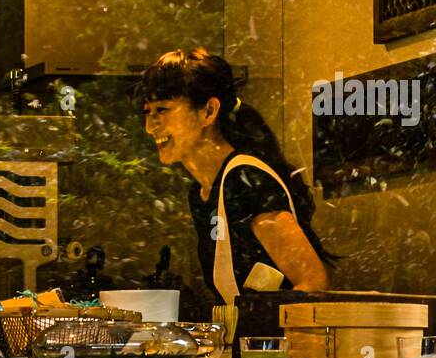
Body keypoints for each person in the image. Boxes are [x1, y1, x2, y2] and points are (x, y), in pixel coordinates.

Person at [140, 49, 331, 305]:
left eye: (162, 109)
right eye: (147, 111)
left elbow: (314, 284)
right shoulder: (200, 193)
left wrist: (260, 334)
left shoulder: (245, 179)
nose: (150, 125)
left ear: (208, 111)